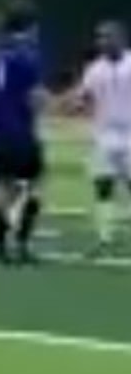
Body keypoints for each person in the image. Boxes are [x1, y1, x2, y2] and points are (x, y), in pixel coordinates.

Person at [0, 3, 48, 266]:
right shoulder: (28, 55)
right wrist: (58, 103)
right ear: (30, 27)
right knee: (37, 186)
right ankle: (21, 242)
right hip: (20, 131)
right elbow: (35, 98)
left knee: (3, 189)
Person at [69, 20, 131, 252]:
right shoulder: (94, 69)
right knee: (103, 185)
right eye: (100, 37)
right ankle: (105, 235)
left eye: (108, 37)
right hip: (104, 134)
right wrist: (75, 103)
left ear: (121, 38)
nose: (103, 42)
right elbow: (84, 97)